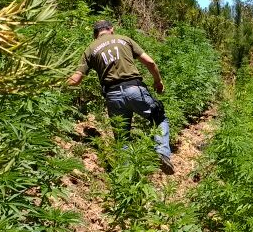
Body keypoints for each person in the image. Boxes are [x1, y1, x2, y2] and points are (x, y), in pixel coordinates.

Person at [67, 19, 174, 174]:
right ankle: (162, 153)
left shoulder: (90, 49)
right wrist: (158, 82)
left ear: (95, 34)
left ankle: (126, 174)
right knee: (159, 117)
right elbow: (150, 63)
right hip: (134, 89)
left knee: (122, 136)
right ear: (111, 29)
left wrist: (53, 84)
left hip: (112, 96)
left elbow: (75, 79)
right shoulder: (125, 40)